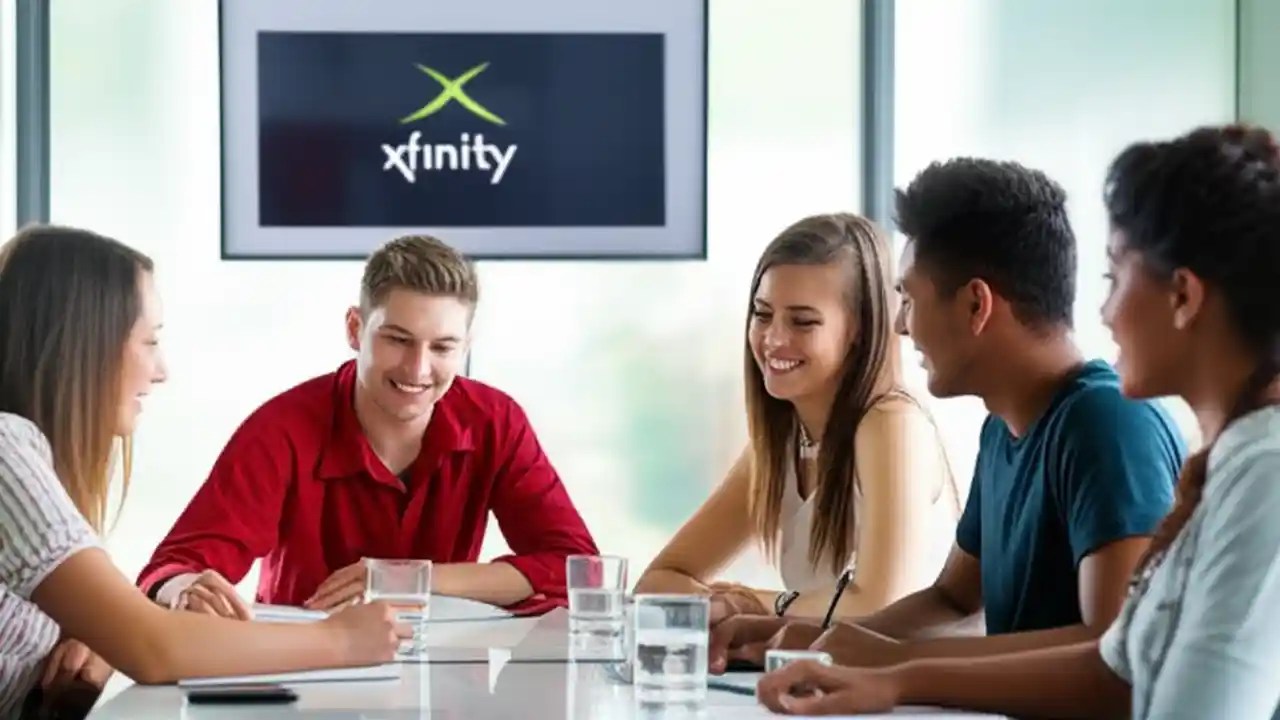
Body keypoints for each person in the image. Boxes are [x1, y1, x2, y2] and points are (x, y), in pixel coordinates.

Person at [754, 125, 1280, 719]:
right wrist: (860, 654)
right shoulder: (1232, 462)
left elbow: (1111, 666)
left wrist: (895, 670)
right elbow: (1111, 657)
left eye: (1113, 279)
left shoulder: (1225, 461)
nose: (1103, 312)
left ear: (1183, 297)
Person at [709, 157, 1185, 672]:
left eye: (910, 299)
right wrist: (806, 638)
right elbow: (952, 601)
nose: (900, 327)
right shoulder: (1003, 428)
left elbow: (1114, 651)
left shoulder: (1107, 422)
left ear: (976, 305)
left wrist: (901, 670)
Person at [0, 226, 402, 720]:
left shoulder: (32, 455)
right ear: (81, 345)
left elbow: (131, 635)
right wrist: (339, 639)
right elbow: (152, 646)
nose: (160, 370)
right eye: (148, 341)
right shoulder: (5, 449)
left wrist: (94, 649)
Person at [137, 234, 598, 618]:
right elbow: (172, 569)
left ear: (466, 346)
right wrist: (186, 592)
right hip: (301, 676)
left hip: (446, 676)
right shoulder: (282, 427)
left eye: (442, 347)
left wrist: (409, 579)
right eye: (398, 340)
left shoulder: (496, 421)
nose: (418, 369)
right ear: (356, 329)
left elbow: (579, 569)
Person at [634, 213, 960, 623]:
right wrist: (737, 605)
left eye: (803, 322)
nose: (773, 339)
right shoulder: (782, 444)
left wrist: (751, 602)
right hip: (832, 678)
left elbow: (880, 607)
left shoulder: (893, 423)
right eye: (763, 314)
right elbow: (657, 583)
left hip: (920, 684)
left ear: (860, 328)